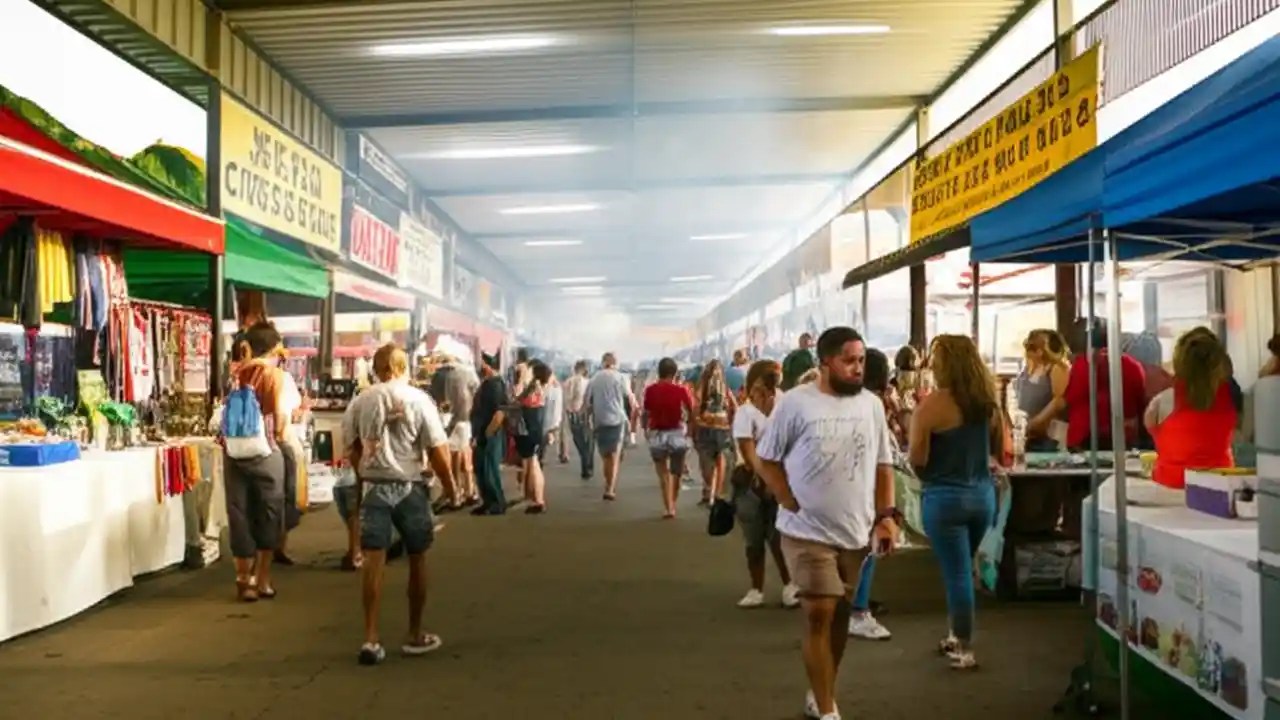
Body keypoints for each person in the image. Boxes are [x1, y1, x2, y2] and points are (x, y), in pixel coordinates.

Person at [756, 327, 898, 720]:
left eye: (861, 360)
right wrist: (786, 497)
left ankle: (821, 691)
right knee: (819, 612)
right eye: (849, 361)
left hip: (854, 530)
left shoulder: (871, 405)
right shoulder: (796, 405)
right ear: (825, 363)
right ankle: (828, 709)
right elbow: (765, 458)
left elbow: (884, 465)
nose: (857, 368)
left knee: (838, 617)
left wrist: (886, 518)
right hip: (805, 531)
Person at [349, 344, 456, 666]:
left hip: (374, 488)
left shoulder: (360, 401)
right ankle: (414, 633)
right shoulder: (419, 399)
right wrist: (451, 487)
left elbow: (352, 449)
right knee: (417, 559)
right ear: (402, 367)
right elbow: (437, 449)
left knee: (373, 563)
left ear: (377, 369)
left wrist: (364, 477)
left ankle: (370, 638)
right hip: (410, 487)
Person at [909, 335, 1005, 670]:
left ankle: (964, 647)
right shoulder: (988, 404)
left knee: (958, 574)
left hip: (943, 498)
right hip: (982, 497)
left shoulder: (931, 406)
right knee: (964, 567)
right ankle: (955, 634)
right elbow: (1002, 450)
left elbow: (917, 458)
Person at [223, 322, 289, 603]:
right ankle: (262, 580)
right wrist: (281, 439)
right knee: (269, 512)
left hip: (234, 451)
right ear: (274, 348)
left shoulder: (236, 373)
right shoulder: (274, 375)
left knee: (239, 513)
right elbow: (279, 417)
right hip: (264, 452)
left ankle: (242, 580)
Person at [731, 359, 800, 609]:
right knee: (754, 538)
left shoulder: (785, 404)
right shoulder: (745, 412)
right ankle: (756, 587)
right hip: (750, 482)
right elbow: (747, 450)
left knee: (780, 537)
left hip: (781, 479)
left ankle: (790, 585)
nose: (761, 393)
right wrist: (765, 476)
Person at [1146, 328, 1237, 489]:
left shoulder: (1161, 402)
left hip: (1170, 489)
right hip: (1219, 489)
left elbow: (1150, 425)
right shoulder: (1233, 399)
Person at [846, 349, 895, 641]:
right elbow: (882, 458)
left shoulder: (846, 401)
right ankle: (858, 611)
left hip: (847, 486)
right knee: (867, 549)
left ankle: (847, 607)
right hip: (864, 487)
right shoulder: (872, 404)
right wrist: (886, 512)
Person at [1063, 317, 1146, 451]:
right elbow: (1140, 401)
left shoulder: (1081, 365)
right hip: (1122, 436)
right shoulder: (1132, 365)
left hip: (1084, 438)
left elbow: (1071, 399)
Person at [641, 357, 695, 518]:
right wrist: (691, 431)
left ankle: (668, 506)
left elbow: (646, 412)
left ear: (659, 372)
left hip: (657, 434)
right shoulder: (681, 390)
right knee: (676, 472)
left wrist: (645, 429)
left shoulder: (650, 390)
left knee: (663, 473)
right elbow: (691, 412)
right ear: (674, 373)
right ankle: (673, 502)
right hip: (677, 433)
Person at [585, 352, 635, 500]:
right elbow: (630, 398)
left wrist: (588, 420)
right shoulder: (621, 377)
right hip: (616, 420)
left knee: (605, 455)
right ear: (615, 363)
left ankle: (609, 484)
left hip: (599, 420)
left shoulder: (594, 379)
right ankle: (610, 488)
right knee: (614, 455)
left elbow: (587, 402)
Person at [1014, 329, 1070, 450]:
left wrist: (1036, 422)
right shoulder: (1028, 368)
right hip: (1028, 434)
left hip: (1049, 436)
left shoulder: (1057, 368)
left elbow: (1059, 401)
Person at [694, 359, 737, 506]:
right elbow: (734, 407)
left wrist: (695, 422)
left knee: (706, 460)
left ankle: (708, 490)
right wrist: (730, 422)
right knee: (721, 460)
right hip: (723, 426)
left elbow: (697, 404)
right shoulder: (725, 389)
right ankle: (717, 494)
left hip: (705, 426)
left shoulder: (703, 386)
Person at [470, 352, 509, 515]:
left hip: (489, 433)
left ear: (486, 365)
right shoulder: (487, 383)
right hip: (481, 433)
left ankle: (497, 502)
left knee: (489, 469)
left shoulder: (495, 385)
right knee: (481, 469)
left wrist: (488, 432)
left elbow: (500, 412)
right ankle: (487, 501)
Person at [515, 361, 549, 513]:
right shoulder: (540, 387)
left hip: (531, 429)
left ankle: (538, 499)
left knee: (533, 462)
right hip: (535, 429)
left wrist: (522, 379)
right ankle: (533, 497)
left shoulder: (533, 387)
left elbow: (517, 398)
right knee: (532, 461)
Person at [563, 360, 594, 479]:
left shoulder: (568, 382)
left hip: (573, 414)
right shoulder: (587, 382)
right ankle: (588, 466)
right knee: (589, 441)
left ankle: (585, 464)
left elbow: (567, 399)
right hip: (586, 414)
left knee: (579, 440)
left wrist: (568, 410)